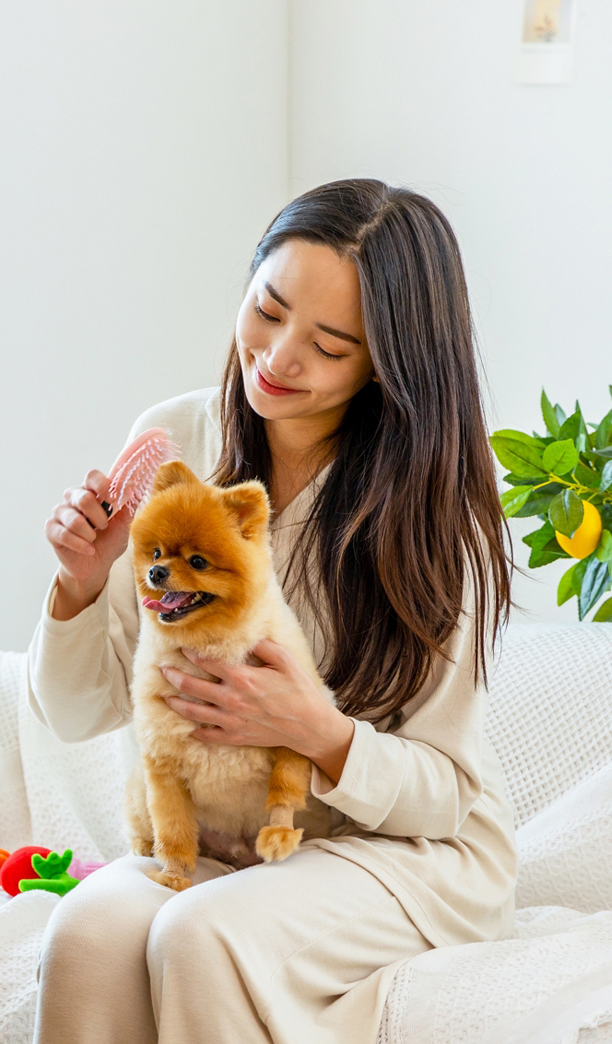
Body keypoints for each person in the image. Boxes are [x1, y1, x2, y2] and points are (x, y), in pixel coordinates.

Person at [27, 179, 516, 1044]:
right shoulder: (176, 442)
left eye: (330, 345)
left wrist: (317, 732)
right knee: (86, 932)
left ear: (387, 366)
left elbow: (444, 797)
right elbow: (75, 714)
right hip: (223, 835)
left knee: (200, 934)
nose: (279, 359)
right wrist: (80, 583)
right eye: (268, 308)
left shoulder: (439, 510)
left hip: (404, 851)